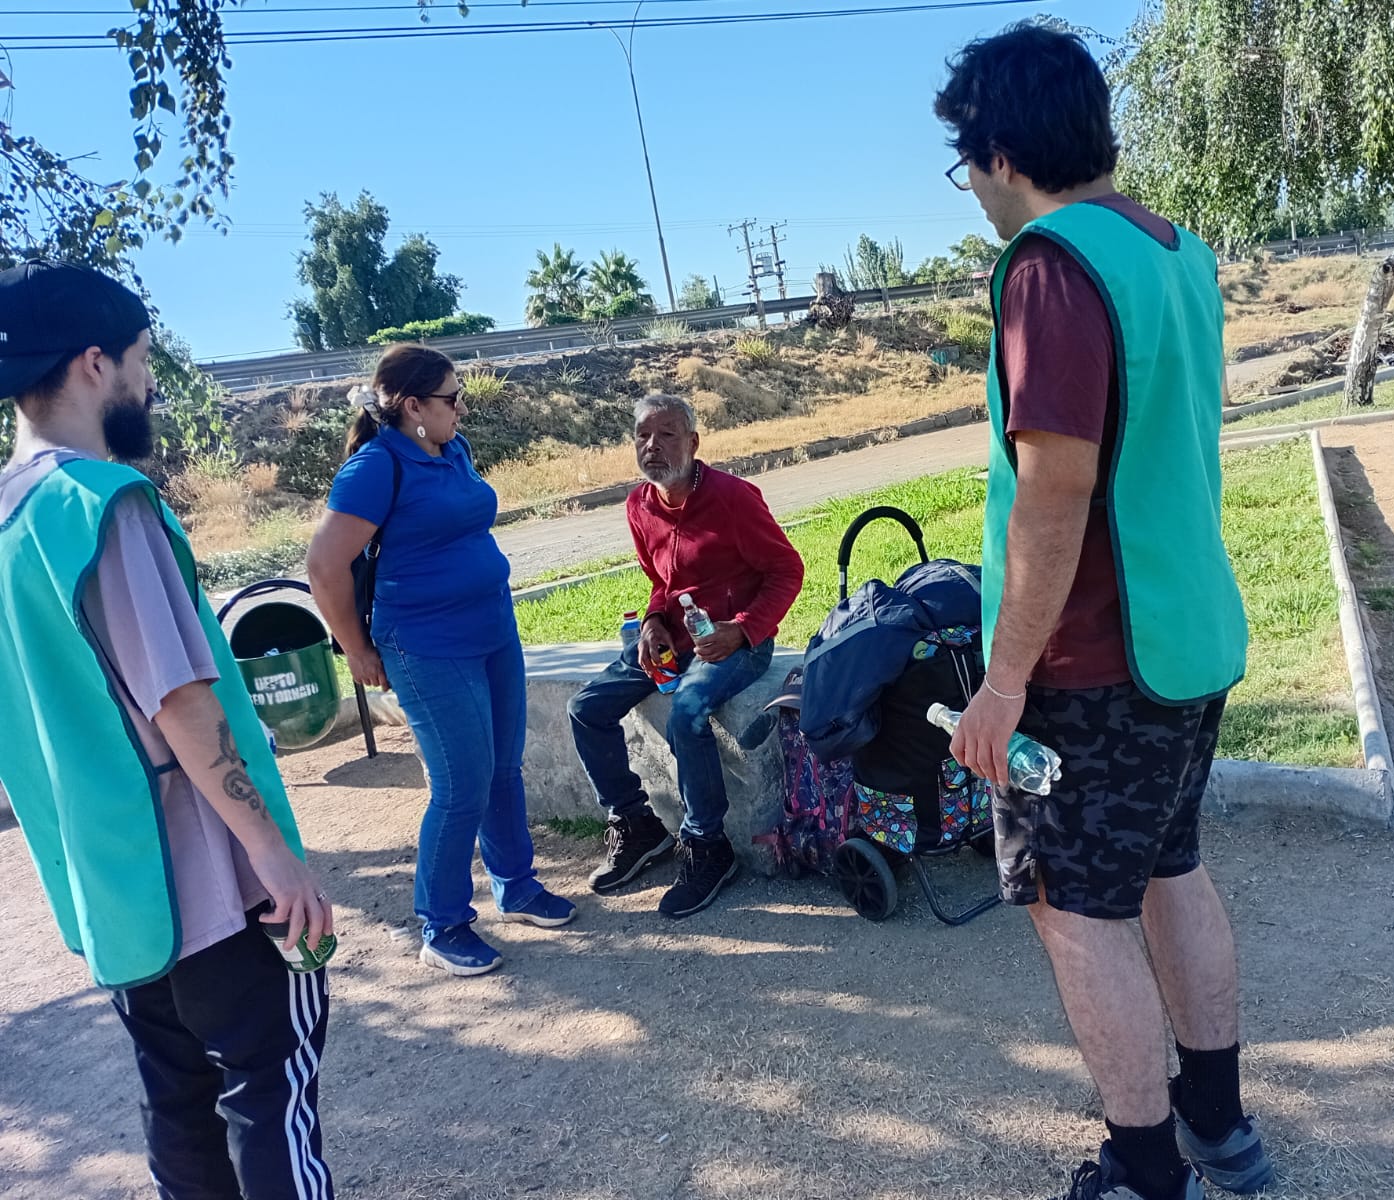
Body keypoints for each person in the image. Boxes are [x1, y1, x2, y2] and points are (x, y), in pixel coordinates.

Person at [935, 26, 1276, 1200]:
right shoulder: (1173, 251)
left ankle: (1141, 1168)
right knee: (1171, 869)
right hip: (1186, 636)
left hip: (1090, 663)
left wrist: (1001, 682)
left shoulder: (1046, 265)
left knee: (1075, 908)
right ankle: (1218, 1128)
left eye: (964, 164)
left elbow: (1055, 488)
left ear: (998, 149)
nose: (971, 191)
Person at [0, 260, 336, 1199]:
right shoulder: (101, 503)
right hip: (209, 880)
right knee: (274, 1095)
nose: (148, 381)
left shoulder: (4, 524)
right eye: (143, 359)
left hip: (110, 891)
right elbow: (180, 698)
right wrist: (272, 855)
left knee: (178, 1109)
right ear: (94, 364)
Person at [306, 344, 574, 977]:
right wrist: (356, 648)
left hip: (492, 631)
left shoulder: (452, 449)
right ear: (412, 406)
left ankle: (516, 885)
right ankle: (443, 923)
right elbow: (324, 566)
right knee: (460, 785)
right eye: (452, 399)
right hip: (425, 646)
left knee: (504, 768)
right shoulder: (374, 467)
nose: (462, 409)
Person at [568, 393, 804, 918]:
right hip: (671, 636)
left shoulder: (734, 498)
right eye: (643, 436)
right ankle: (637, 826)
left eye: (667, 434)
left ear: (693, 443)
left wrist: (741, 631)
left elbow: (787, 571)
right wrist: (652, 621)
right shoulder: (639, 505)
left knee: (688, 713)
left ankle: (707, 846)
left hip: (738, 642)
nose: (653, 446)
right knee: (586, 709)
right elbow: (660, 581)